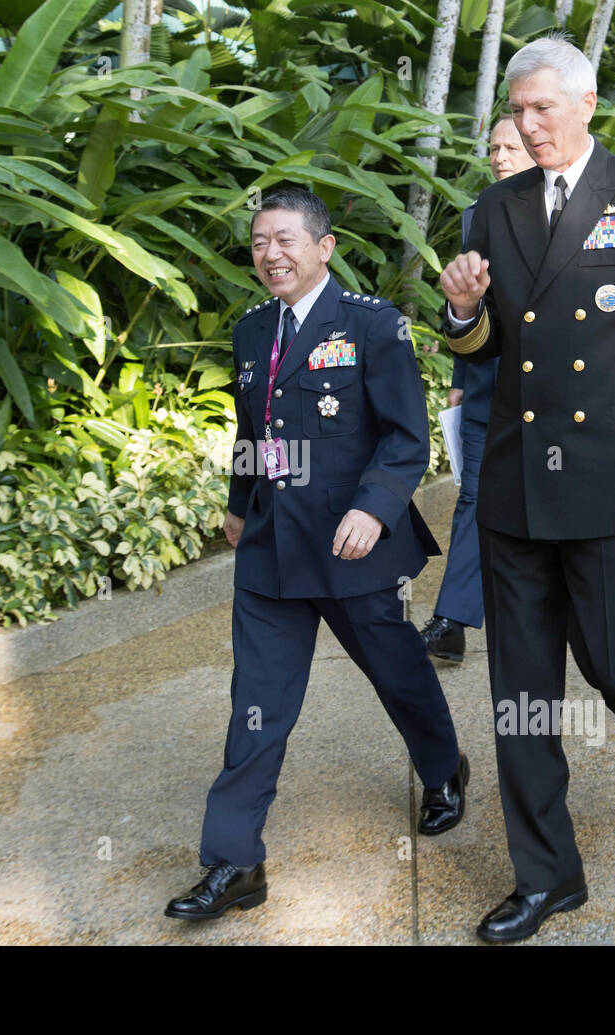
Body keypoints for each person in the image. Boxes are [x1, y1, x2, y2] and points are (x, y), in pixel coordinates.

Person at [439, 37, 615, 943]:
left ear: (587, 104)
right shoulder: (497, 204)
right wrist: (462, 311)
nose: (527, 125)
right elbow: (483, 353)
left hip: (613, 483)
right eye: (518, 111)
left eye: (543, 109)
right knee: (521, 693)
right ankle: (547, 876)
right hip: (518, 488)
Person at [165, 187, 467, 921]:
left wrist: (374, 507)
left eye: (285, 239)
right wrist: (239, 507)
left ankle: (443, 766)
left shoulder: (371, 324)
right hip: (272, 547)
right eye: (259, 241)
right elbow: (251, 433)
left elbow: (405, 435)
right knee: (257, 703)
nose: (270, 253)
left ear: (323, 247)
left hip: (349, 542)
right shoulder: (249, 332)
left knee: (396, 669)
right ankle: (235, 859)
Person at [421, 116, 537, 662]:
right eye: (493, 147)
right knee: (474, 494)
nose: (500, 156)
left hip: (551, 393)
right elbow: (469, 305)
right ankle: (452, 620)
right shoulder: (477, 217)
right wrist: (460, 381)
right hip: (488, 382)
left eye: (511, 146)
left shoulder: (568, 213)